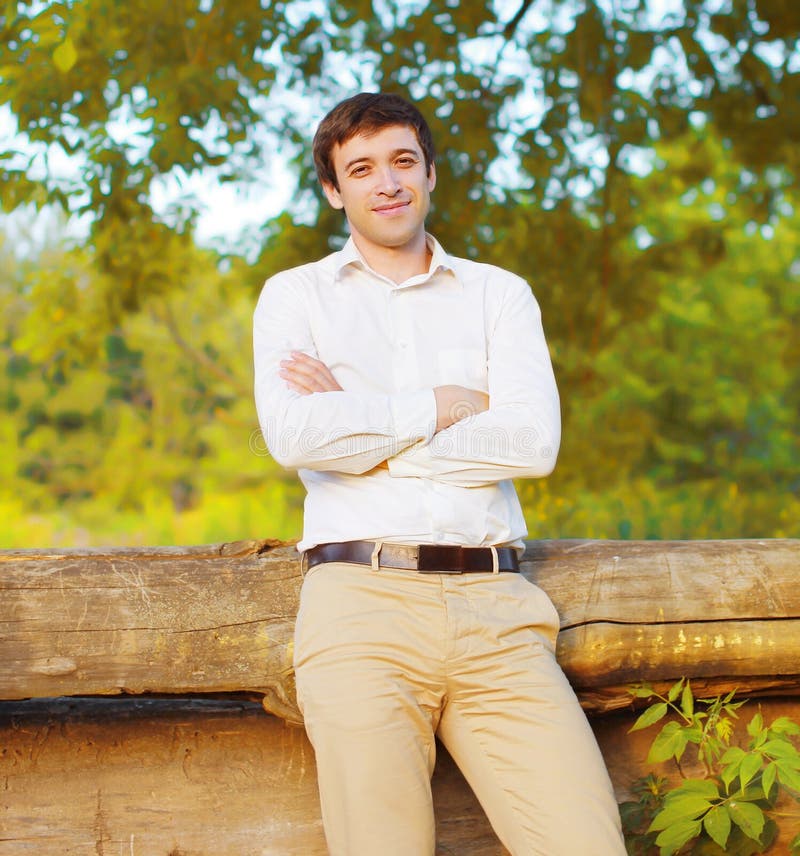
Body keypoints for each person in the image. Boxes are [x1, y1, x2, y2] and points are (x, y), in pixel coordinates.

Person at [253, 92, 625, 856]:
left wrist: (363, 421)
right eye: (361, 169)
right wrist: (446, 404)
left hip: (499, 611)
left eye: (401, 162)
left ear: (430, 174)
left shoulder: (499, 294)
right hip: (360, 607)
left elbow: (532, 445)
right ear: (335, 189)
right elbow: (295, 433)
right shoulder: (296, 297)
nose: (385, 182)